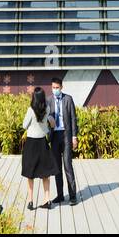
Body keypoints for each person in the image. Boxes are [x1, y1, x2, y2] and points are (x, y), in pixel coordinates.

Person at [20, 87, 57, 210]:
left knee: (30, 173)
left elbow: (24, 125)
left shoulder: (30, 110)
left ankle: (30, 201)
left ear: (34, 97)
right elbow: (47, 124)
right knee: (45, 173)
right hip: (42, 142)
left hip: (31, 143)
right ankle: (47, 200)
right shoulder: (46, 109)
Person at [47, 76, 78, 205]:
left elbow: (73, 119)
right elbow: (45, 118)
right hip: (54, 137)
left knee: (67, 166)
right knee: (57, 168)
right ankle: (60, 195)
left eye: (57, 88)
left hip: (66, 135)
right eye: (53, 88)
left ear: (61, 87)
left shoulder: (68, 99)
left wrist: (74, 137)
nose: (55, 90)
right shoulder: (48, 100)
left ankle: (72, 196)